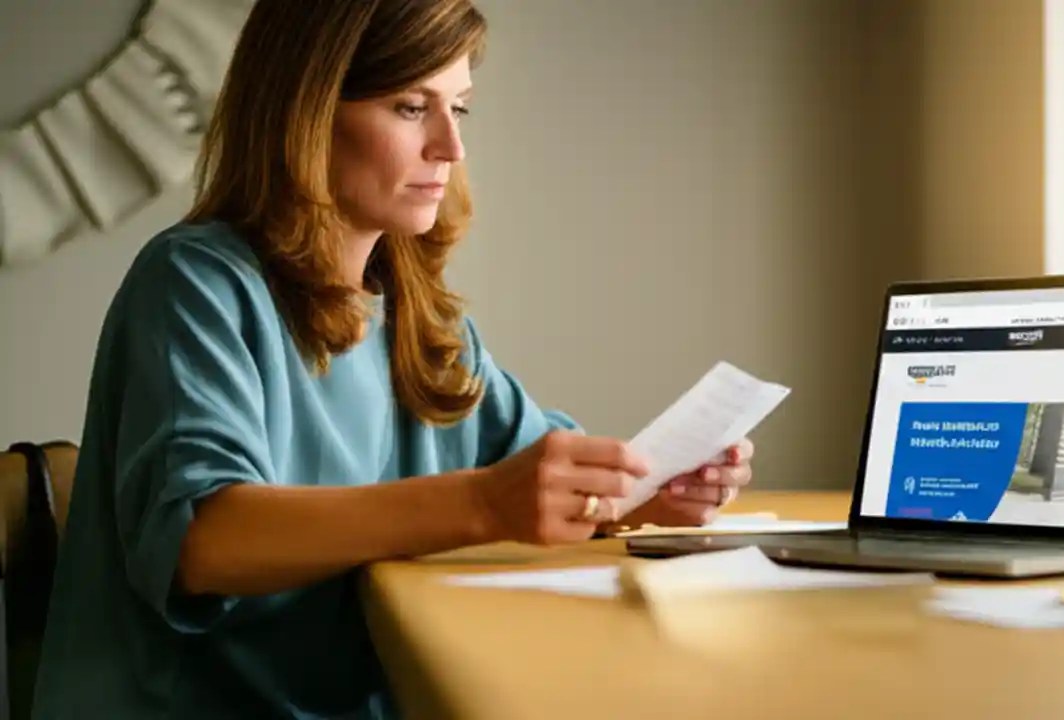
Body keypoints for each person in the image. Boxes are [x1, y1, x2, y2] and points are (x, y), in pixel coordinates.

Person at [31, 1, 755, 717]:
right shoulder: (195, 282)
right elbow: (203, 539)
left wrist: (647, 495)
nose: (450, 146)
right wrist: (482, 502)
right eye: (412, 107)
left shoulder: (417, 320)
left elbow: (535, 481)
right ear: (306, 114)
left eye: (459, 109)